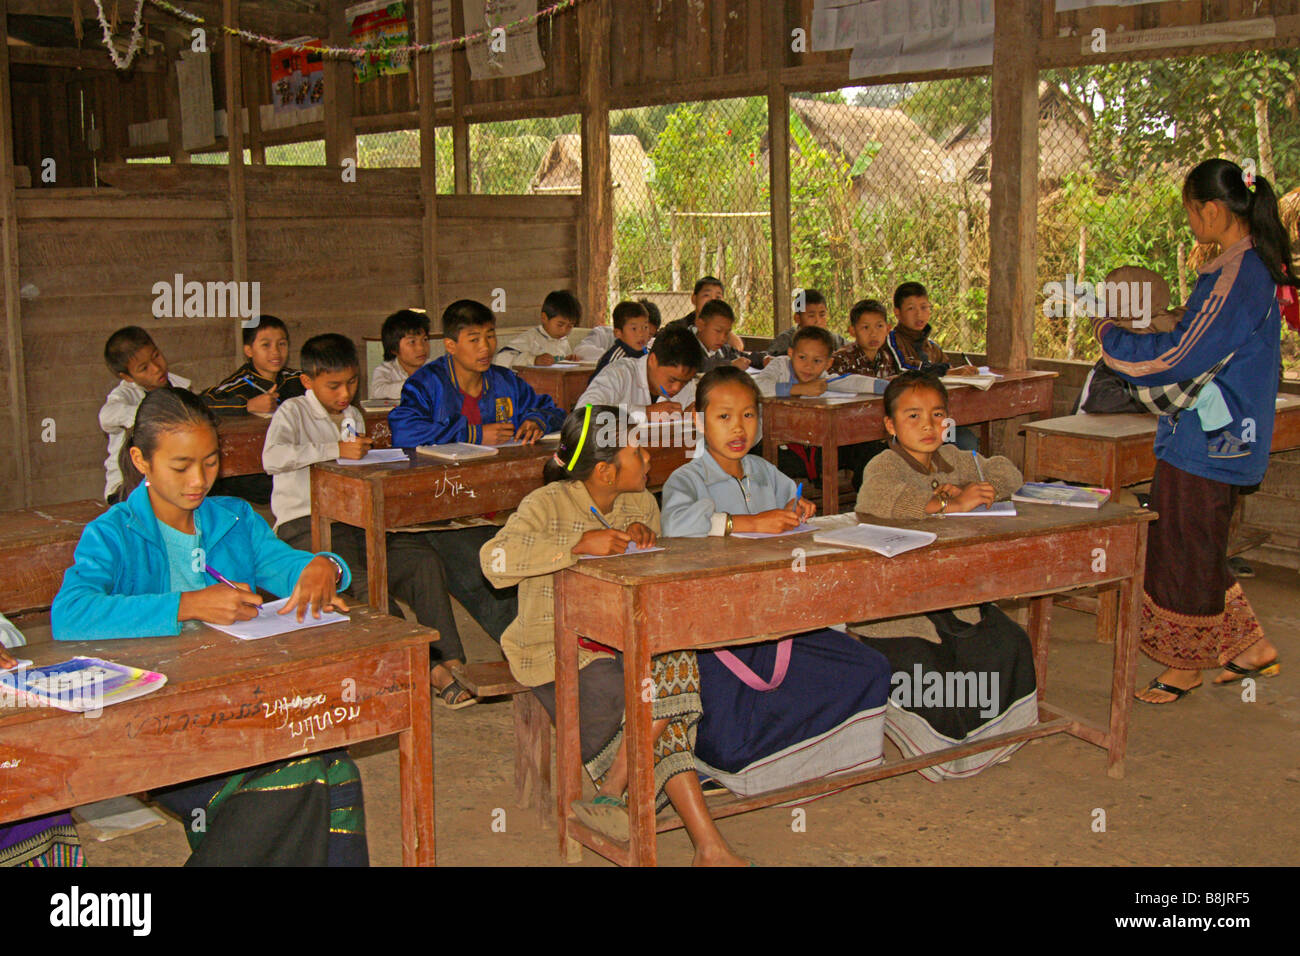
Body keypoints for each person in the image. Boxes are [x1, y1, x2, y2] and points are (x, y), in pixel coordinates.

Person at [52, 386, 368, 865]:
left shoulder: (234, 518)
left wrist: (324, 566)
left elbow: (287, 564)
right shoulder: (114, 532)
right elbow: (70, 612)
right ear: (141, 460)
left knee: (339, 773)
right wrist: (188, 605)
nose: (199, 480)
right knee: (299, 777)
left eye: (211, 462)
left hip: (238, 708)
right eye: (180, 467)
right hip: (156, 728)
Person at [480, 404, 748, 865]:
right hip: (556, 653)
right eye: (637, 449)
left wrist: (648, 538)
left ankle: (617, 793)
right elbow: (493, 562)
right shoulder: (546, 504)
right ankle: (703, 842)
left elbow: (658, 573)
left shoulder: (641, 503)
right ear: (604, 471)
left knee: (674, 661)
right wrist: (573, 547)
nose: (648, 458)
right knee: (648, 710)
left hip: (625, 642)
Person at [1089, 158, 1293, 704]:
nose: (1190, 226)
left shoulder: (1237, 273)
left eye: (1190, 214)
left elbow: (1180, 355)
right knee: (1198, 543)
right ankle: (1250, 649)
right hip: (1224, 431)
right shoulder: (1247, 267)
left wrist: (1112, 337)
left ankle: (1183, 666)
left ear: (1210, 209)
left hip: (1211, 436)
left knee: (1181, 548)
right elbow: (1204, 332)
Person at [660, 368, 892, 795]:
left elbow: (793, 498)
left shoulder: (765, 471)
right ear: (698, 421)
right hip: (721, 627)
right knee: (743, 706)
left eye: (749, 416)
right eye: (724, 416)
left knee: (868, 667)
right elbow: (675, 524)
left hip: (783, 613)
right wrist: (748, 523)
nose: (738, 428)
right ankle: (741, 765)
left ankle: (818, 762)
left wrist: (798, 507)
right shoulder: (687, 479)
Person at [266, 333, 513, 709]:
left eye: (351, 382)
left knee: (422, 563)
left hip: (360, 517)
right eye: (333, 386)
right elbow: (273, 457)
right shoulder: (292, 412)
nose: (344, 393)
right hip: (307, 522)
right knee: (366, 582)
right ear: (307, 381)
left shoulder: (351, 414)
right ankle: (429, 669)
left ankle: (453, 661)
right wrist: (335, 449)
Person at [389, 299, 565, 447]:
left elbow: (553, 411)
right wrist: (473, 435)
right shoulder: (425, 384)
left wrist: (536, 421)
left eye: (490, 336)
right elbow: (404, 432)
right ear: (451, 346)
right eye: (474, 340)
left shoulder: (505, 381)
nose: (485, 347)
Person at [855, 372, 1022, 517]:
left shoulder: (953, 457)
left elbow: (1008, 473)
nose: (928, 425)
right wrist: (953, 504)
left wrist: (977, 490)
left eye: (937, 414)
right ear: (891, 425)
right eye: (914, 416)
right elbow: (876, 497)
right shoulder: (885, 464)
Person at [756, 326, 878, 494]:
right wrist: (799, 389)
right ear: (791, 354)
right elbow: (758, 387)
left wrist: (887, 386)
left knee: (869, 447)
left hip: (813, 447)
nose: (808, 366)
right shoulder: (780, 365)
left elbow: (849, 381)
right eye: (802, 357)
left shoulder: (822, 378)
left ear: (828, 363)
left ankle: (868, 495)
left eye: (817, 361)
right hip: (776, 448)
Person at [99, 326, 191, 504]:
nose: (156, 368)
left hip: (169, 479)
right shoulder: (124, 395)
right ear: (127, 376)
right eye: (144, 368)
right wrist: (154, 412)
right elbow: (106, 416)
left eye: (156, 355)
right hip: (126, 488)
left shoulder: (181, 387)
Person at [886, 282, 980, 450]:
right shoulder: (892, 340)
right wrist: (947, 371)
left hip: (935, 418)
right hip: (910, 420)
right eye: (911, 309)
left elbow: (947, 372)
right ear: (897, 313)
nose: (919, 314)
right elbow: (905, 370)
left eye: (924, 307)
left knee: (966, 441)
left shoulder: (932, 346)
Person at [575, 325, 703, 421]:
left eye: (684, 382)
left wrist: (691, 418)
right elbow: (583, 413)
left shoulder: (688, 386)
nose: (677, 388)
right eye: (671, 380)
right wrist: (645, 413)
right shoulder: (620, 373)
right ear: (653, 360)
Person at [200, 314, 306, 416]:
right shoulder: (239, 384)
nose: (276, 352)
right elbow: (198, 404)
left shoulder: (298, 378)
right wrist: (248, 405)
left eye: (281, 344)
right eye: (266, 345)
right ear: (249, 351)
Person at [494, 290, 582, 368]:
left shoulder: (563, 341)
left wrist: (567, 360)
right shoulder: (531, 338)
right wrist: (533, 360)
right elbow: (501, 359)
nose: (564, 330)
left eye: (570, 326)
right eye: (560, 325)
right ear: (544, 318)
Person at [764, 288, 846, 365]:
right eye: (811, 316)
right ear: (797, 318)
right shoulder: (787, 339)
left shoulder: (834, 339)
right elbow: (765, 357)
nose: (818, 321)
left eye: (822, 315)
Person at [663, 276, 746, 351]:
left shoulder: (723, 334)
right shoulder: (676, 328)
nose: (712, 300)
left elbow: (738, 347)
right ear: (694, 299)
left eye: (718, 297)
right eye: (706, 295)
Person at [370, 308, 431, 401]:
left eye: (425, 340)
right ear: (394, 348)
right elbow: (377, 392)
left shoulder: (434, 367)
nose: (421, 348)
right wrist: (416, 384)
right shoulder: (385, 370)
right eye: (412, 342)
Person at [830, 298, 900, 378]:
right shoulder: (841, 360)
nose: (873, 334)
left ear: (887, 329)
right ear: (853, 331)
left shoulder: (887, 359)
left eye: (879, 326)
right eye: (866, 327)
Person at [693, 300, 762, 371]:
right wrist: (730, 365)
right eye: (718, 331)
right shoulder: (686, 346)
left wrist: (764, 360)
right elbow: (699, 365)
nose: (723, 338)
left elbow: (743, 356)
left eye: (726, 333)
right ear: (700, 325)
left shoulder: (722, 349)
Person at [592, 300, 654, 375]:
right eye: (634, 329)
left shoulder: (649, 354)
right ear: (618, 333)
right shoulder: (616, 359)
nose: (641, 333)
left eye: (645, 327)